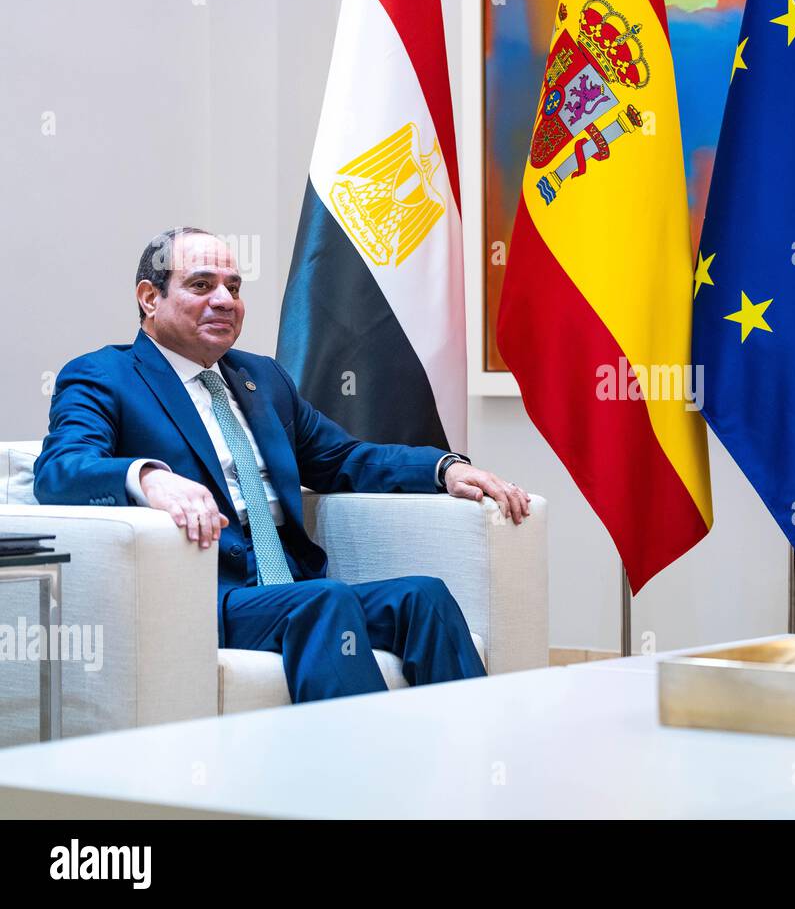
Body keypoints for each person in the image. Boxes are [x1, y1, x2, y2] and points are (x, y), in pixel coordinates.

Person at [35, 227, 532, 701]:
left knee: (424, 597)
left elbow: (344, 458)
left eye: (233, 286)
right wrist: (149, 478)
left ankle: (474, 756)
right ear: (150, 297)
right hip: (208, 595)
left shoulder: (261, 377)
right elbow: (61, 471)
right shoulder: (105, 374)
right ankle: (367, 777)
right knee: (325, 600)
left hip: (292, 590)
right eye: (201, 285)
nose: (225, 300)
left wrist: (444, 469)